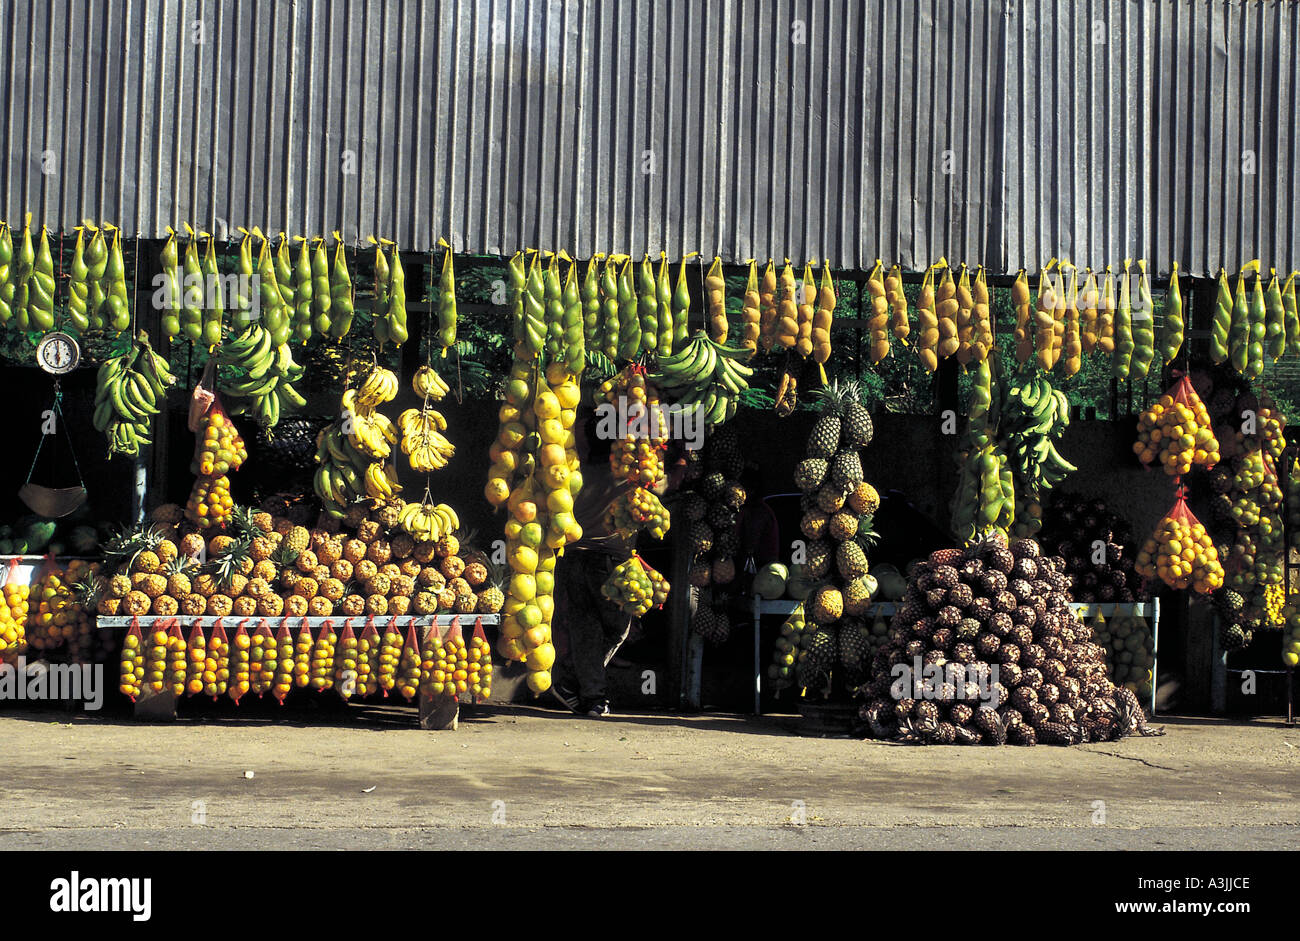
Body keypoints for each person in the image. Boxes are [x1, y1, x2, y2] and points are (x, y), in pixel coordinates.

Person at [549, 405, 681, 718]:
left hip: (573, 559)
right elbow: (667, 485)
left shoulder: (574, 473)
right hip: (609, 563)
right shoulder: (625, 476)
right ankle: (580, 688)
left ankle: (584, 692)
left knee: (586, 628)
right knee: (618, 629)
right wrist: (683, 458)